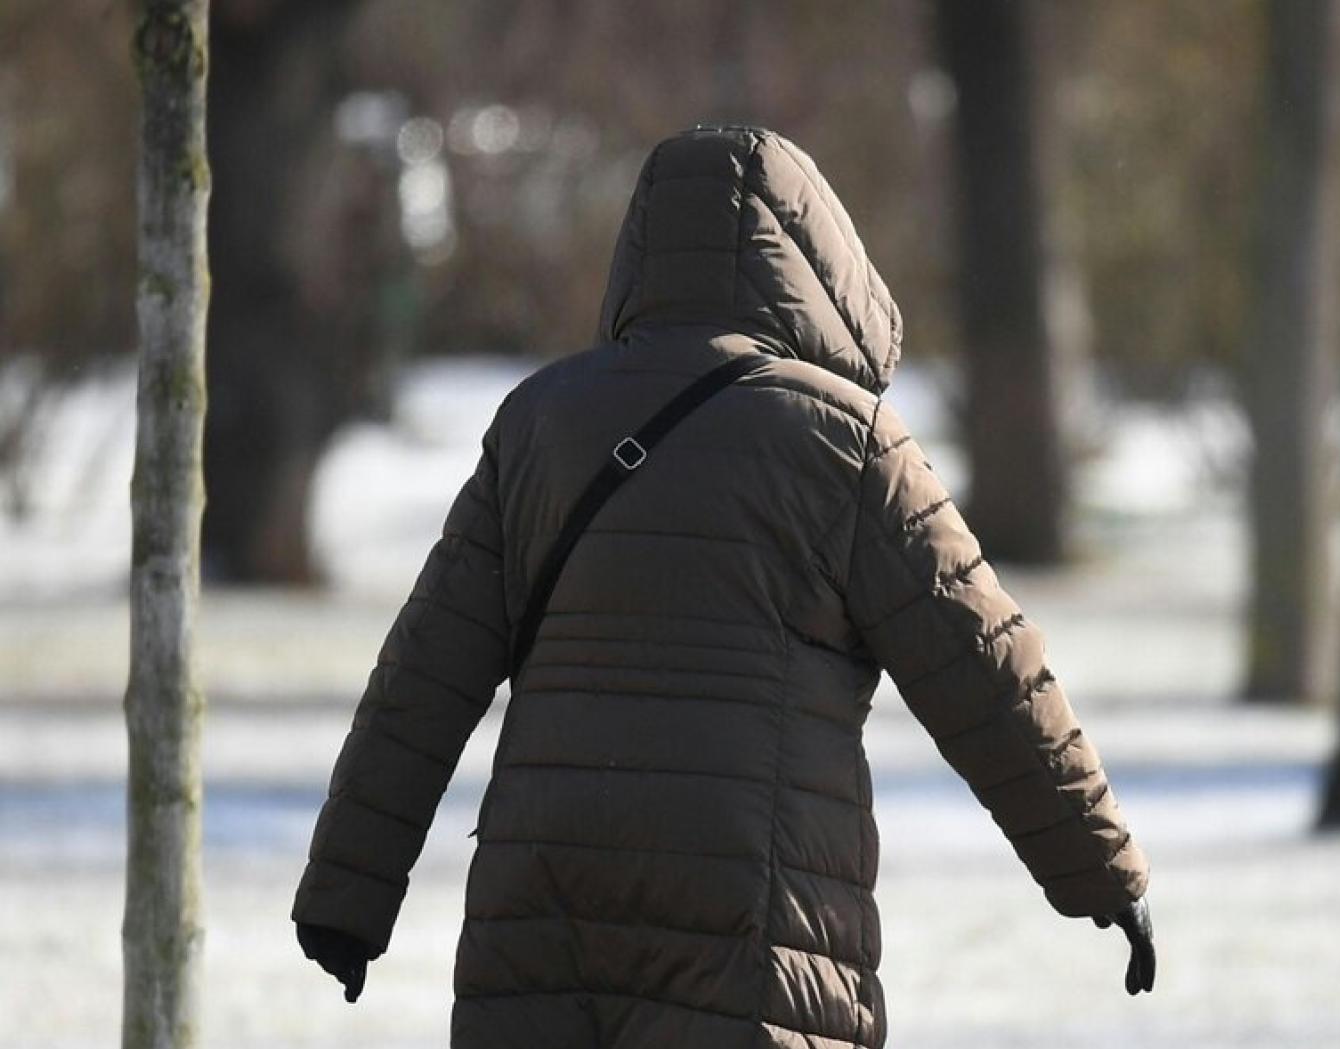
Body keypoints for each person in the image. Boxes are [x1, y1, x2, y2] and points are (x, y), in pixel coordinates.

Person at [291, 124, 1153, 1049]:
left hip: (541, 896)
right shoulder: (849, 440)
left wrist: (349, 893)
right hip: (748, 909)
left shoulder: (541, 421)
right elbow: (987, 673)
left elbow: (421, 677)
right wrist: (1100, 870)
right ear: (820, 262)